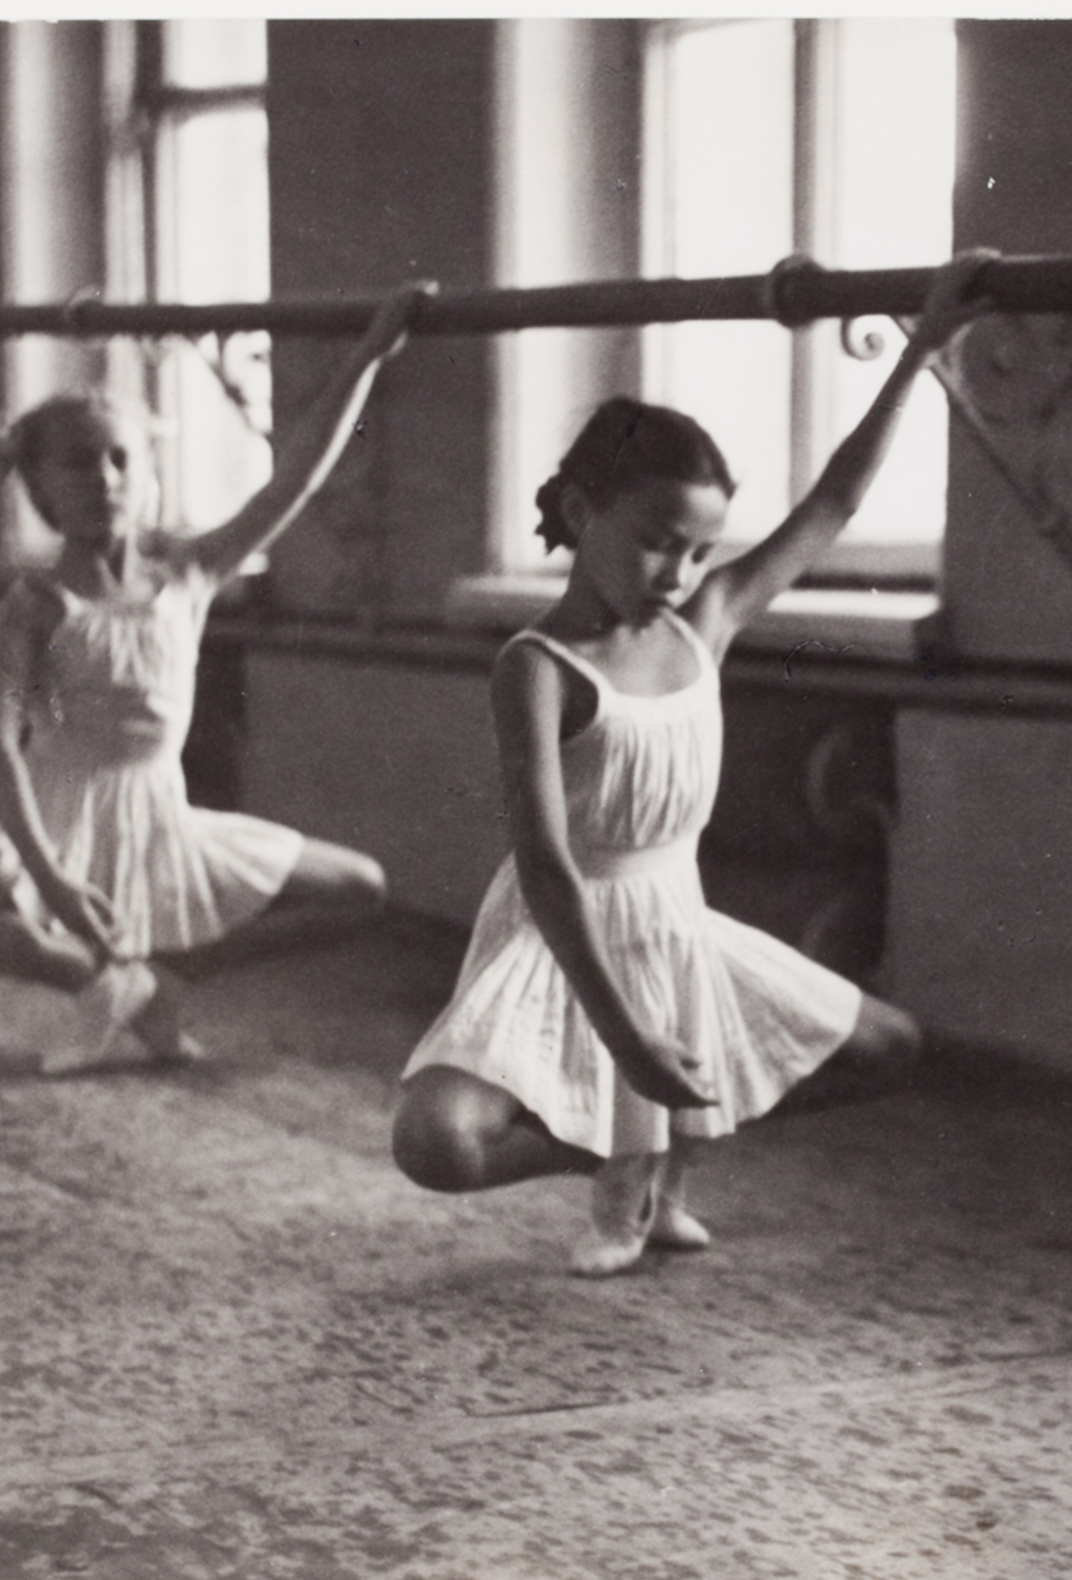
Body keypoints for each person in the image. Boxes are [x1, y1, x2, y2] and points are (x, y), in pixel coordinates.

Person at [392, 252, 996, 1276]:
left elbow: (833, 504)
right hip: (560, 933)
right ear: (583, 518)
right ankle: (627, 1158)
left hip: (673, 924)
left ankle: (655, 1156)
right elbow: (547, 864)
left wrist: (923, 345)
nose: (678, 574)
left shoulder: (703, 624)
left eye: (698, 552)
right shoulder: (535, 667)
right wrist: (626, 1043)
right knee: (436, 1145)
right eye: (656, 543)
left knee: (890, 1050)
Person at [0, 284, 433, 1072]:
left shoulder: (190, 569)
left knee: (361, 889)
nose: (105, 479)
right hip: (50, 813)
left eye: (121, 459)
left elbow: (293, 482)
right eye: (80, 463)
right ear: (41, 487)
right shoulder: (38, 602)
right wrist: (52, 879)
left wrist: (367, 355)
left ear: (147, 473)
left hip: (157, 815)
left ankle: (162, 977)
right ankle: (97, 976)